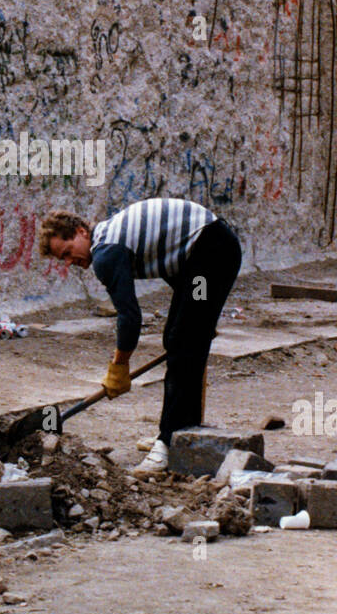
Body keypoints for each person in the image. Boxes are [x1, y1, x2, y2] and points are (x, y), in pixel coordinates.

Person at [38, 199, 242, 474]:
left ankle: (168, 442)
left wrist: (119, 367)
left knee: (184, 342)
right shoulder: (109, 237)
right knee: (179, 339)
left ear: (81, 232)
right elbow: (172, 256)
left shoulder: (105, 253)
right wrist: (199, 311)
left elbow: (130, 319)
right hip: (204, 255)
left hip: (211, 251)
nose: (69, 262)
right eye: (63, 259)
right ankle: (181, 432)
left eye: (67, 251)